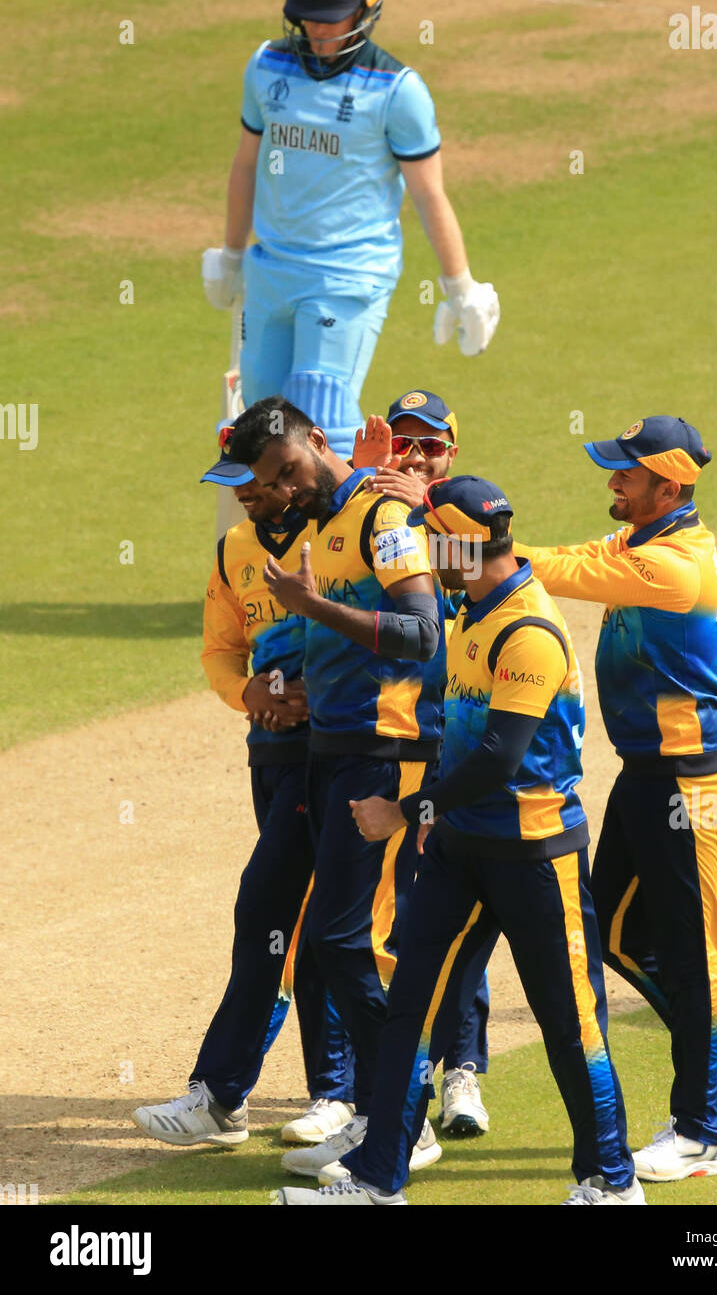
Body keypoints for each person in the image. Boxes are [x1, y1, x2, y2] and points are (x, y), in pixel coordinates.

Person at [271, 476, 642, 1206]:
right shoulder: (468, 609)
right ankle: (378, 1181)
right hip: (459, 849)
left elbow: (498, 759)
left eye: (428, 536)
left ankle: (610, 1183)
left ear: (461, 545)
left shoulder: (528, 631)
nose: (418, 549)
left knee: (570, 1024)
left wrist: (404, 811)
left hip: (535, 857)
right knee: (409, 1009)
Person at [515, 415, 717, 1183]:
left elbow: (549, 573)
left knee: (699, 960)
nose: (611, 482)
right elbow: (563, 557)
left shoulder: (673, 566)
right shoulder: (637, 547)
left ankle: (701, 1135)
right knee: (615, 934)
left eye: (624, 474)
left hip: (689, 783)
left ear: (668, 487)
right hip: (645, 774)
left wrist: (467, 541)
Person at [227, 394, 450, 1179]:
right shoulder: (321, 524)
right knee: (328, 940)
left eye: (287, 469)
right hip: (332, 749)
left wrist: (314, 604)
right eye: (267, 480)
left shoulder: (381, 518)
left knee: (346, 939)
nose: (281, 488)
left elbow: (422, 633)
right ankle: (372, 1111)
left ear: (317, 442)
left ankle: (405, 1115)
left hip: (385, 753)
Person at [132, 436, 355, 1148]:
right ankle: (299, 1097)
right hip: (273, 754)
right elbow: (218, 649)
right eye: (233, 481)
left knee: (298, 916)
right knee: (288, 920)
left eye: (254, 480)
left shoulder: (336, 530)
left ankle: (303, 1093)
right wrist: (248, 690)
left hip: (336, 753)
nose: (243, 492)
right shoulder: (233, 547)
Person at [201, 0, 500, 456]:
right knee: (259, 428)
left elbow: (430, 195)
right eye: (308, 17)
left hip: (348, 273)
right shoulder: (267, 66)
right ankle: (263, 540)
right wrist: (230, 254)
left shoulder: (396, 90)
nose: (317, 30)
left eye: (331, 19)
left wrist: (461, 286)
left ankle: (338, 538)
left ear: (367, 10)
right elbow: (246, 163)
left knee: (318, 427)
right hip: (271, 268)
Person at [363, 389, 491, 1137]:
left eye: (431, 445)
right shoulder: (367, 517)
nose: (415, 457)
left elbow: (479, 588)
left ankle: (461, 1074)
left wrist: (432, 503)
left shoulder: (463, 516)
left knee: (462, 917)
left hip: (457, 753)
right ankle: (375, 1079)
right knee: (389, 923)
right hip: (383, 748)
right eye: (402, 445)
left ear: (452, 449)